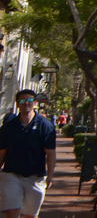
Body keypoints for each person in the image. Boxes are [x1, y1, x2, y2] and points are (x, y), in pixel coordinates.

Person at [0, 89, 57, 218]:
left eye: (30, 100)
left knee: (30, 215)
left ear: (35, 103)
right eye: (22, 100)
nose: (26, 103)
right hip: (11, 174)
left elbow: (50, 153)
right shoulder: (8, 127)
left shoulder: (45, 126)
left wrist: (51, 175)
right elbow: (2, 152)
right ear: (17, 104)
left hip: (35, 176)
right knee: (12, 210)